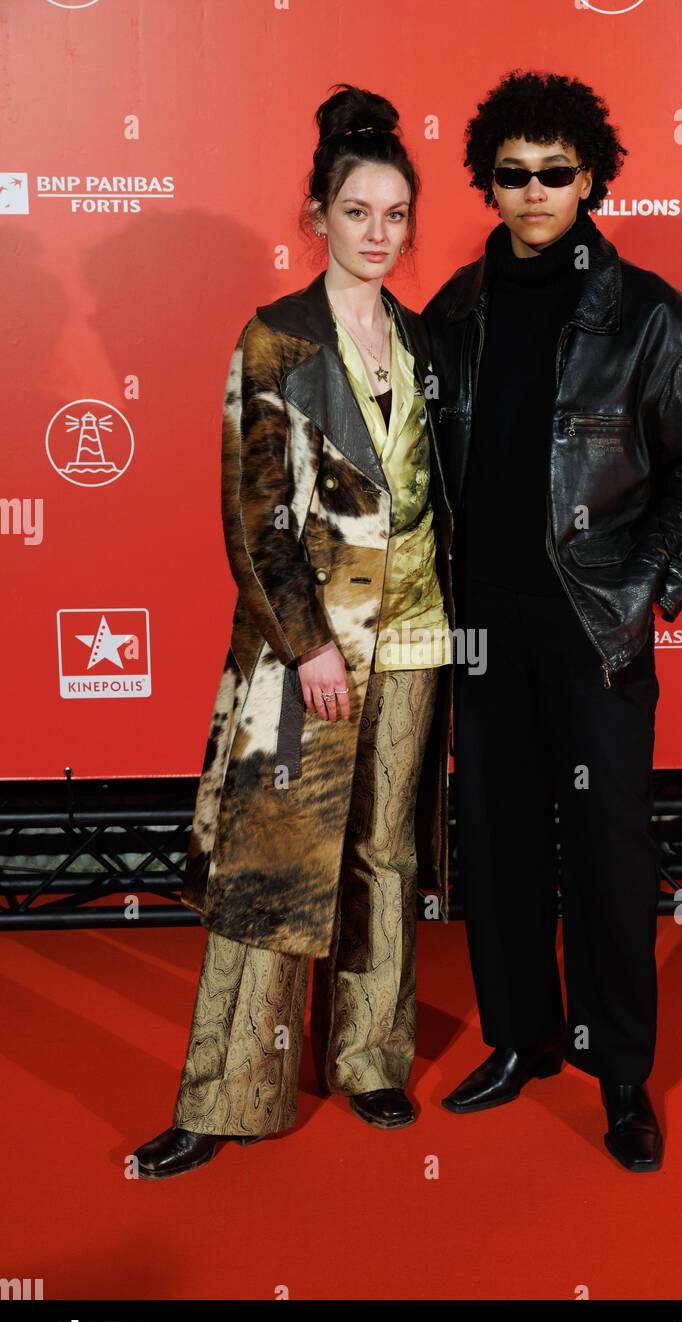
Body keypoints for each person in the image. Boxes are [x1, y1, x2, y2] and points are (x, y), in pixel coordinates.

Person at [422, 69, 682, 1172]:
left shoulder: (651, 318)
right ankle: (520, 1039)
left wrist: (648, 588)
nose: (531, 193)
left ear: (592, 178)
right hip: (480, 627)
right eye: (510, 176)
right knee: (500, 842)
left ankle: (619, 1075)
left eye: (553, 174)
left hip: (593, 629)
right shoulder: (452, 317)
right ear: (487, 181)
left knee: (607, 854)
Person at [133, 84, 454, 1181]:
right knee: (274, 865)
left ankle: (367, 1058)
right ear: (317, 213)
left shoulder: (419, 339)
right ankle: (229, 1091)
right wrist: (309, 641)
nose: (378, 233)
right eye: (356, 211)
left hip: (415, 636)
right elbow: (254, 513)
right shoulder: (275, 338)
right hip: (305, 649)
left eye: (396, 214)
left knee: (383, 852)